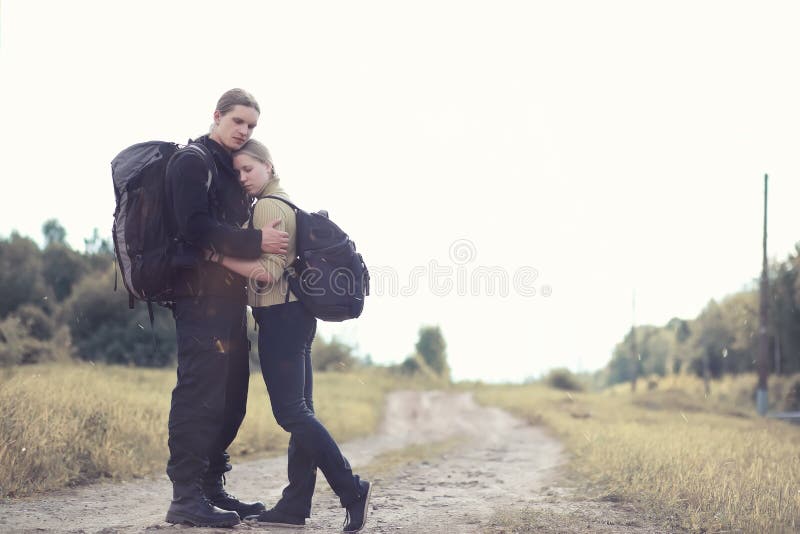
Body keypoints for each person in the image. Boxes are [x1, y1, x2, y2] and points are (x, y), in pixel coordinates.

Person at [206, 138, 373, 533]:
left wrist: (216, 256)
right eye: (237, 172)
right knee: (302, 411)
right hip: (296, 316)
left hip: (280, 316)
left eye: (249, 169)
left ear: (268, 166)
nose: (242, 178)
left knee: (292, 413)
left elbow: (268, 272)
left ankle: (351, 489)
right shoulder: (284, 202)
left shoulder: (268, 206)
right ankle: (295, 505)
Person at [164, 89, 289, 528]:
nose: (244, 131)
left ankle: (211, 488)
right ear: (217, 115)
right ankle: (185, 497)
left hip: (231, 300)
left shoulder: (229, 167)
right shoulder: (192, 161)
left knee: (232, 398)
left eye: (251, 126)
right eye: (238, 121)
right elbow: (193, 227)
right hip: (198, 299)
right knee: (199, 394)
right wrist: (257, 242)